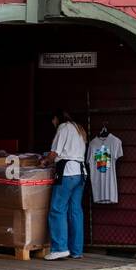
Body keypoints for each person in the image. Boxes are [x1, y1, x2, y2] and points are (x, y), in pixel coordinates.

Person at [43, 109, 87, 260]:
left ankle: (60, 248)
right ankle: (76, 250)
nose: (53, 123)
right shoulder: (79, 129)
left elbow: (54, 153)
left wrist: (44, 161)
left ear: (57, 119)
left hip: (67, 172)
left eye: (53, 120)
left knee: (57, 209)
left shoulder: (63, 128)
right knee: (75, 211)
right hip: (80, 173)